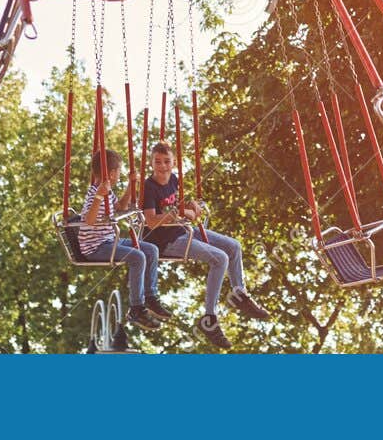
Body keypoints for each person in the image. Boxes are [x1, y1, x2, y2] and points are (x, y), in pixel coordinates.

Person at [141, 141, 269, 348]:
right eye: (157, 162)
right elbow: (151, 221)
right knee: (220, 259)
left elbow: (179, 204)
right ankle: (209, 318)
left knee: (234, 246)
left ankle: (240, 294)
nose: (162, 166)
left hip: (182, 231)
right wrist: (178, 214)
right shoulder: (148, 187)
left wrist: (190, 206)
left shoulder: (174, 179)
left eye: (166, 161)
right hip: (165, 241)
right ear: (151, 163)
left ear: (174, 163)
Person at [78, 149, 171, 331]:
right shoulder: (95, 194)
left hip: (110, 240)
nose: (120, 173)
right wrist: (99, 196)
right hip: (96, 247)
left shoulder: (108, 192)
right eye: (119, 170)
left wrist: (131, 185)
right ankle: (136, 308)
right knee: (138, 257)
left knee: (151, 250)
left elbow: (121, 206)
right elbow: (88, 219)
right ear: (112, 174)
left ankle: (150, 296)